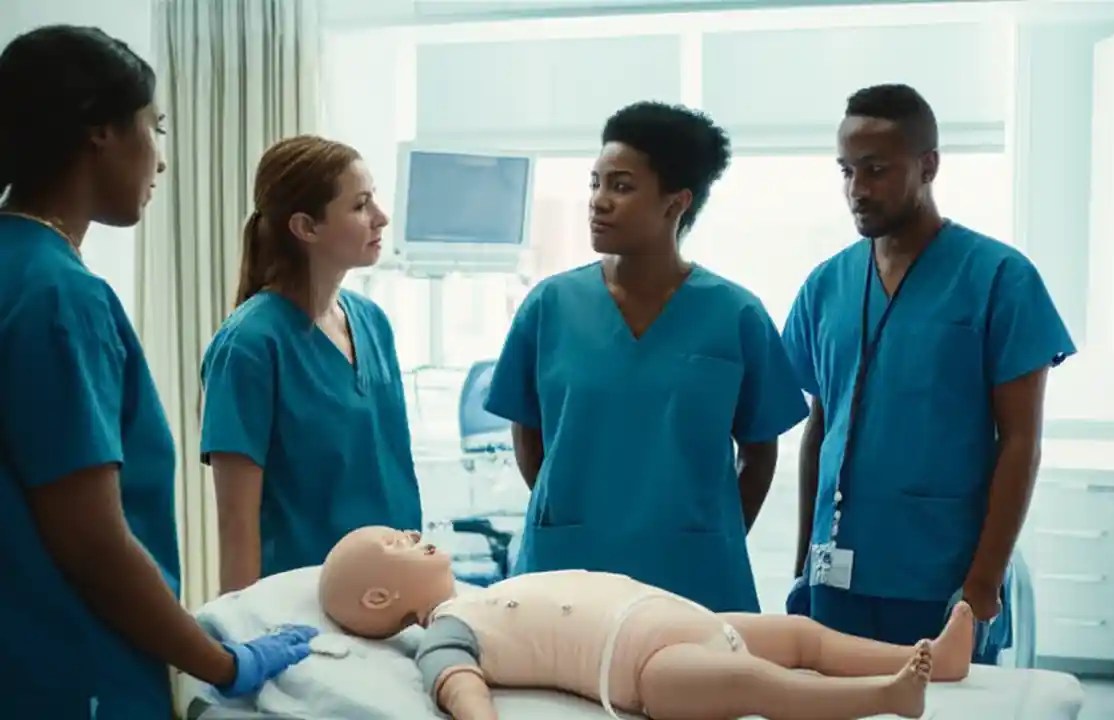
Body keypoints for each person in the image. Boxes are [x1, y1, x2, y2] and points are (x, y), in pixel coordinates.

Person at [0, 25, 317, 717]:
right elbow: (93, 543)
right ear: (100, 133)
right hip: (68, 674)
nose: (162, 161)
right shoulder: (59, 296)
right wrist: (222, 661)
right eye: (156, 128)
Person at [781, 84, 1076, 662]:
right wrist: (801, 567)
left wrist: (983, 586)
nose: (856, 190)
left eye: (876, 170)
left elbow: (1020, 442)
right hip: (834, 581)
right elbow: (822, 428)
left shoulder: (999, 278)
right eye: (846, 170)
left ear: (928, 166)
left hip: (942, 581)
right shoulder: (825, 285)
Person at [484, 101, 809, 613]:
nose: (598, 201)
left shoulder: (735, 314)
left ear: (675, 203)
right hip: (568, 566)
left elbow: (760, 450)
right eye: (595, 183)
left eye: (621, 186)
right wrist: (565, 509)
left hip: (693, 577)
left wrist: (714, 537)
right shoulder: (550, 306)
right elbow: (529, 429)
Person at [319, 525, 977, 720]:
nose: (411, 532)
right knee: (753, 680)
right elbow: (457, 682)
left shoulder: (490, 589)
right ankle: (886, 695)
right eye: (394, 544)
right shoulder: (447, 628)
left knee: (801, 635)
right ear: (380, 600)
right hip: (647, 672)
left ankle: (937, 660)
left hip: (683, 620)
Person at [199, 135, 421, 593]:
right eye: (360, 206)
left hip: (392, 591)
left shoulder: (372, 322)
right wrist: (245, 636)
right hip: (302, 602)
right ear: (306, 227)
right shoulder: (249, 345)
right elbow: (236, 523)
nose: (381, 217)